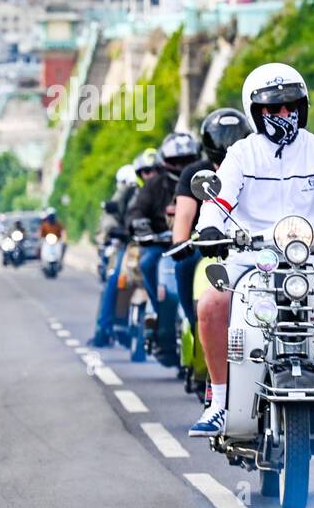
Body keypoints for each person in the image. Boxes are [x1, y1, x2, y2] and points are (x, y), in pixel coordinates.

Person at [190, 62, 314, 443]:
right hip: (251, 255)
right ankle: (221, 404)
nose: (284, 115)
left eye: (290, 106)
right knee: (211, 304)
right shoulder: (242, 154)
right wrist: (209, 227)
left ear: (303, 107)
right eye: (273, 109)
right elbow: (221, 198)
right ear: (255, 112)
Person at [171, 108, 251, 331]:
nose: (227, 145)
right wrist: (180, 243)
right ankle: (194, 325)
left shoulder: (258, 168)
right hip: (209, 242)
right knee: (183, 265)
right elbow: (184, 214)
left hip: (253, 241)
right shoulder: (195, 173)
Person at [127, 132, 201, 367]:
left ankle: (197, 321)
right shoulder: (154, 184)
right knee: (147, 263)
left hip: (195, 244)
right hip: (160, 246)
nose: (181, 166)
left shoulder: (202, 180)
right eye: (176, 161)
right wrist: (141, 225)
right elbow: (137, 210)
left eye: (186, 160)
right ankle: (158, 309)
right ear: (163, 161)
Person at [88, 161, 147, 347]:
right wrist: (116, 231)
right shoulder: (123, 195)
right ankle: (103, 329)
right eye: (144, 172)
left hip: (152, 244)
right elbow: (108, 220)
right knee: (114, 279)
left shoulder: (156, 188)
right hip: (129, 244)